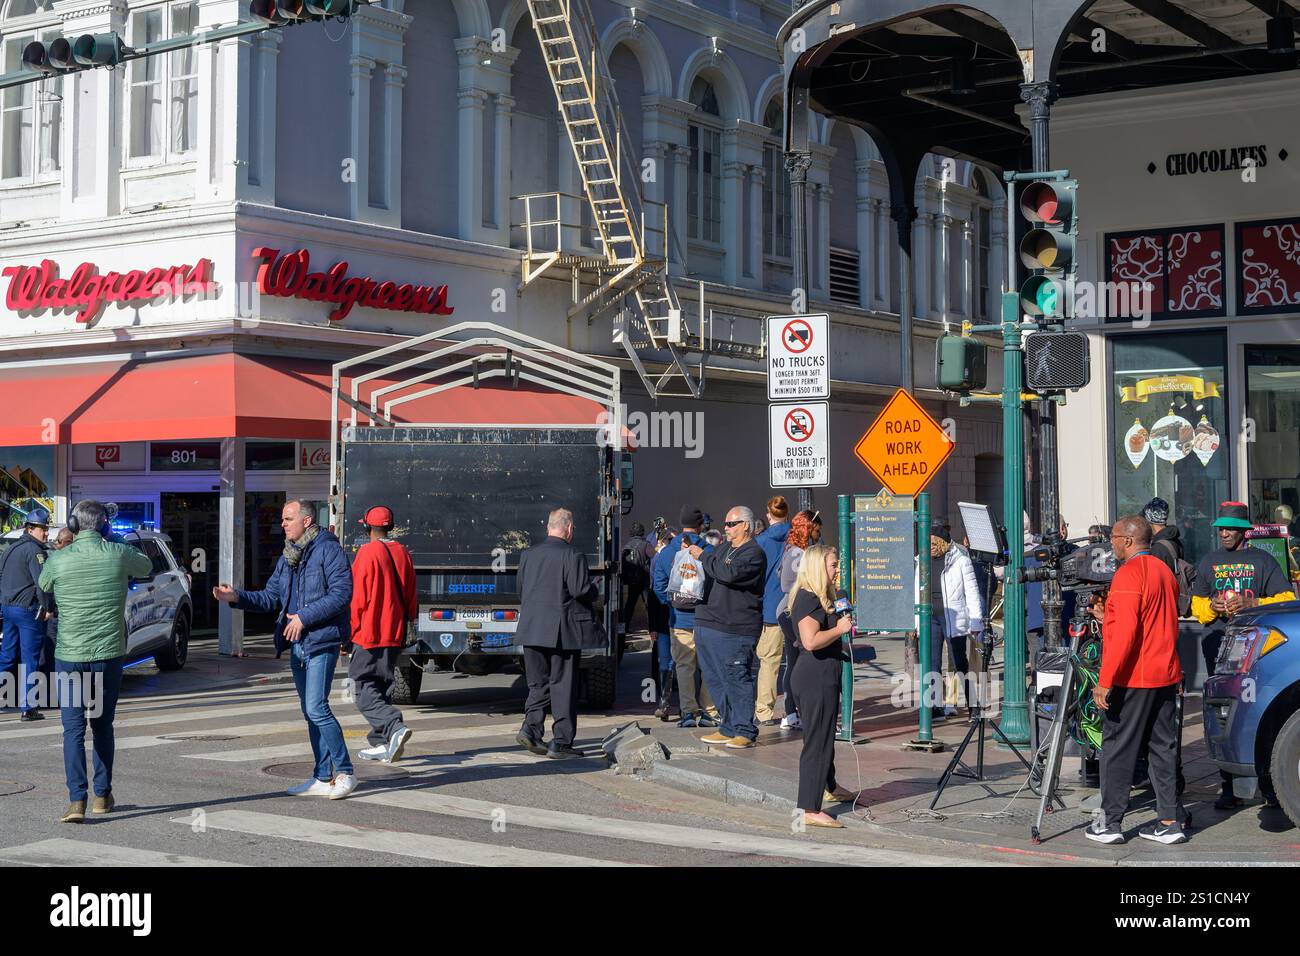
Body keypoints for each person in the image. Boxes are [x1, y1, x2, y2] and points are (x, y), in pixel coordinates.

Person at [214, 499, 356, 799]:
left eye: (288, 518)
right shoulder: (289, 557)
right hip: (297, 646)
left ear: (306, 521)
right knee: (310, 711)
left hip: (322, 641)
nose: (282, 524)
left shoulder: (328, 549)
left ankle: (345, 772)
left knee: (318, 708)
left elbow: (342, 595)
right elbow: (269, 598)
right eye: (281, 519)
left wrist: (304, 617)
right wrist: (235, 597)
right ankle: (321, 775)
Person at [37, 500, 152, 823]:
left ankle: (77, 800)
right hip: (107, 654)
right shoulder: (117, 552)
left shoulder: (59, 559)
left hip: (70, 654)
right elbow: (145, 566)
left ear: (73, 526)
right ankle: (102, 794)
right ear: (104, 525)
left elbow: (44, 584)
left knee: (72, 730)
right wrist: (111, 538)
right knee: (102, 726)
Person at [1086, 516, 1186, 845]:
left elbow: (1125, 635)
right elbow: (1158, 621)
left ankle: (1110, 822)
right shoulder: (1163, 570)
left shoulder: (1129, 573)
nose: (1110, 543)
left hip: (1135, 676)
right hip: (1164, 673)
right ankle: (1170, 820)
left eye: (1113, 537)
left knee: (1118, 748)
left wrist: (1106, 680)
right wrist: (1107, 616)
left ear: (1128, 541)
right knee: (1162, 747)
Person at [1191, 500, 1295, 810]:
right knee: (1223, 716)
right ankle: (1228, 787)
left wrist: (1252, 605)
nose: (1224, 533)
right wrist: (1214, 606)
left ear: (1243, 532)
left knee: (1258, 713)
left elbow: (1287, 597)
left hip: (1259, 647)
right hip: (1219, 647)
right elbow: (1196, 608)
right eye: (1221, 528)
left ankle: (1270, 786)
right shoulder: (1209, 562)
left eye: (1230, 528)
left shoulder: (1262, 561)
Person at [514, 507, 606, 758]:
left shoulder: (528, 555)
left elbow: (521, 590)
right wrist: (594, 589)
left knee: (537, 684)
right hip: (561, 632)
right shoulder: (572, 555)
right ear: (569, 529)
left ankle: (531, 729)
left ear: (548, 527)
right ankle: (561, 742)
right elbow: (579, 590)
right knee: (562, 686)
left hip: (532, 629)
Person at [787, 543, 859, 827]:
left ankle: (830, 785)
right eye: (833, 565)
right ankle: (807, 808)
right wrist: (839, 630)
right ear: (818, 567)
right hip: (813, 676)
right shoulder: (807, 598)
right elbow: (809, 641)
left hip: (826, 673)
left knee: (825, 736)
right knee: (816, 742)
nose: (838, 569)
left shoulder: (828, 596)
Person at [689, 506, 767, 749]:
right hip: (709, 622)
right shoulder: (723, 548)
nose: (726, 528)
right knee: (715, 679)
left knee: (735, 678)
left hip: (736, 628)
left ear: (746, 525)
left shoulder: (753, 553)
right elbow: (712, 566)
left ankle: (745, 729)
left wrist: (702, 556)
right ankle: (728, 726)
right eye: (725, 523)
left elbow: (728, 573)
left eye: (731, 524)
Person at [348, 505, 417, 764]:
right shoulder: (403, 553)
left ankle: (393, 725)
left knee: (360, 685)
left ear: (367, 527)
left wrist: (350, 630)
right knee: (381, 685)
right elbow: (411, 595)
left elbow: (358, 599)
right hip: (395, 631)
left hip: (370, 631)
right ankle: (382, 743)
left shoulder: (366, 553)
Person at [652, 507, 719, 728]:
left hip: (678, 618)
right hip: (705, 618)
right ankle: (709, 712)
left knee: (683, 666)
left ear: (681, 524)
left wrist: (671, 602)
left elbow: (659, 586)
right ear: (701, 525)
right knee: (708, 666)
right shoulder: (708, 550)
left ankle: (688, 712)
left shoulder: (667, 552)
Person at [0, 506, 52, 721]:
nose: (46, 533)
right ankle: (28, 707)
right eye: (43, 529)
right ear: (31, 529)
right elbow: (42, 584)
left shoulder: (10, 548)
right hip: (26, 611)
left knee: (7, 656)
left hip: (8, 609)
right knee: (30, 659)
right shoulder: (35, 551)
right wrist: (48, 608)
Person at [930, 520, 984, 718]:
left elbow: (971, 592)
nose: (931, 548)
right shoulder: (921, 561)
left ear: (943, 543)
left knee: (959, 661)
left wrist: (976, 621)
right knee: (932, 663)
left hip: (953, 617)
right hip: (931, 616)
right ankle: (934, 707)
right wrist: (915, 622)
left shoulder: (960, 560)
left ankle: (973, 706)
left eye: (934, 544)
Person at [778, 509, 821, 730]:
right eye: (817, 530)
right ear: (809, 528)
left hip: (788, 612)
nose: (818, 535)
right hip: (791, 613)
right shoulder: (798, 554)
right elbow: (787, 585)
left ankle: (791, 712)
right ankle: (794, 711)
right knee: (800, 664)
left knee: (794, 663)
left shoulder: (793, 550)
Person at [754, 495, 791, 726]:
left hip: (770, 608)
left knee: (769, 661)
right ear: (786, 513)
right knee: (800, 660)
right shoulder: (798, 537)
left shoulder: (761, 541)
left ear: (769, 515)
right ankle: (795, 708)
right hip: (797, 605)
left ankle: (764, 711)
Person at [646, 530, 675, 720]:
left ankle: (664, 703)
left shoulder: (659, 559)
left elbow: (654, 593)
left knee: (665, 661)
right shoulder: (686, 555)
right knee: (688, 661)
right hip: (681, 617)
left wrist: (652, 626)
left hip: (664, 619)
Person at [621, 522, 650, 630]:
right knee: (648, 604)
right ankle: (652, 628)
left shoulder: (626, 546)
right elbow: (655, 557)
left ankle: (624, 627)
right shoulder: (646, 544)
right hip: (644, 580)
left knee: (629, 605)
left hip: (632, 581)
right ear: (642, 532)